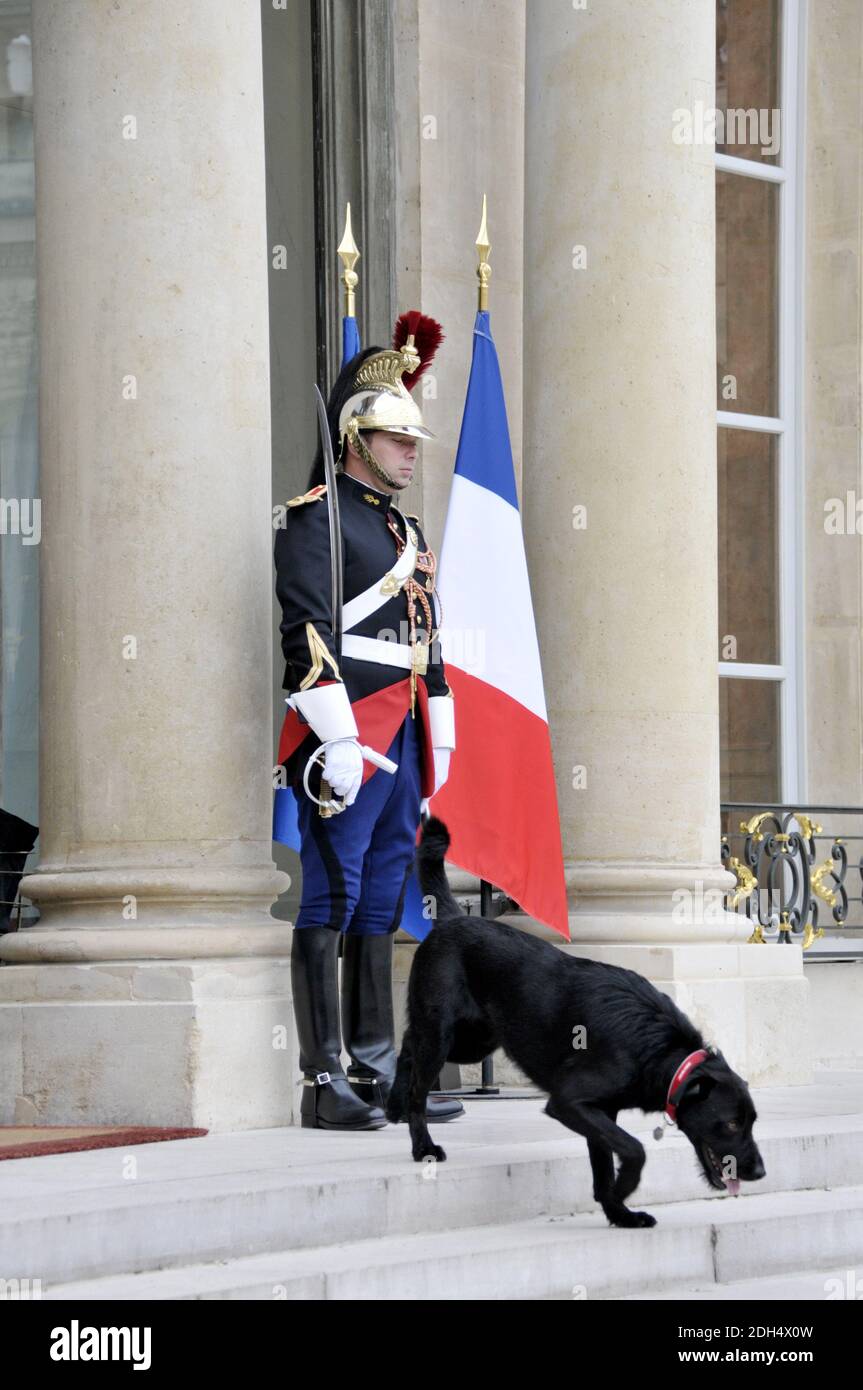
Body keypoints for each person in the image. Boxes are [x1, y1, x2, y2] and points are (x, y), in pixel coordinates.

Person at [274, 313, 464, 1130]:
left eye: (412, 440)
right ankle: (322, 1082)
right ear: (355, 438)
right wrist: (337, 734)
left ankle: (377, 1065)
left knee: (385, 896)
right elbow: (306, 629)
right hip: (349, 729)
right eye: (396, 439)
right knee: (333, 894)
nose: (411, 452)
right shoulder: (314, 517)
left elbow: (428, 631)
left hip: (409, 729)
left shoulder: (404, 528)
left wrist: (443, 728)